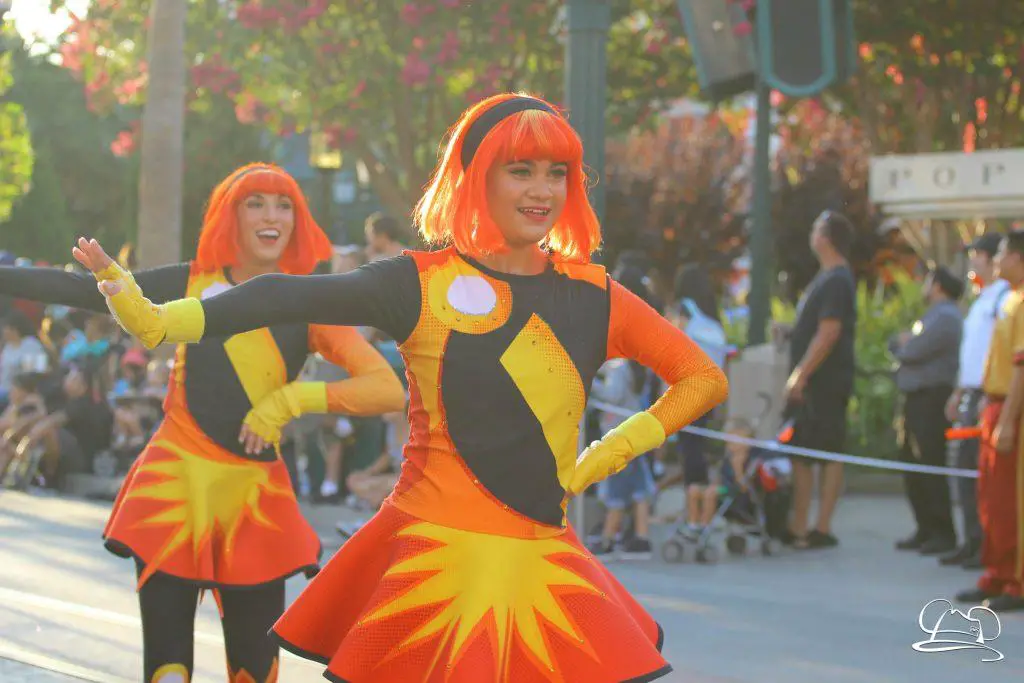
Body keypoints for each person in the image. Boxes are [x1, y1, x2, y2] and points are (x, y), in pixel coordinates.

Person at [78, 93, 729, 683]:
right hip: (430, 565)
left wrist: (609, 453)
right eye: (520, 170)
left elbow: (703, 378)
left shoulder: (596, 295)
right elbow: (280, 293)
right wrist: (159, 321)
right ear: (478, 177)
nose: (542, 190)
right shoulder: (418, 282)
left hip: (542, 569)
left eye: (557, 172)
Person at [0, 163, 406, 683]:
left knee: (255, 672)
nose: (271, 216)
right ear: (229, 216)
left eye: (283, 205)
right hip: (176, 486)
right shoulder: (193, 280)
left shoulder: (308, 300)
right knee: (167, 668)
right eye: (255, 203)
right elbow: (84, 291)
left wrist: (288, 402)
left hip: (256, 502)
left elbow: (385, 387)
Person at [780, 210, 857, 549]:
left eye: (815, 229)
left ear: (826, 237)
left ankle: (818, 527)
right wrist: (791, 332)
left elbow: (829, 332)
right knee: (802, 451)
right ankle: (800, 525)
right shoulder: (826, 277)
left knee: (825, 452)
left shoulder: (837, 279)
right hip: (817, 383)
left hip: (825, 384)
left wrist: (801, 374)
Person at [956, 230, 1024, 613]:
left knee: (1012, 500)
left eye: (1001, 254)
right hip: (995, 404)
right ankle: (997, 573)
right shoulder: (1009, 298)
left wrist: (1009, 420)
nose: (996, 260)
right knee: (992, 498)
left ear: (1017, 257)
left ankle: (1017, 581)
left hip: (1012, 409)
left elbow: (1022, 367)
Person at [940, 233, 1010, 568]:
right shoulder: (982, 298)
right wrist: (958, 390)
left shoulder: (1005, 297)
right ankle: (970, 541)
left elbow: (1000, 353)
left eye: (977, 254)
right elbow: (972, 352)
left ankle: (986, 546)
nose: (972, 261)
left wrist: (989, 393)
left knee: (983, 477)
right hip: (969, 394)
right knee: (963, 473)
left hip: (987, 396)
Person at [890, 266, 964, 556]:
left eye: (928, 281)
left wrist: (904, 344)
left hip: (932, 398)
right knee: (911, 462)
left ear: (938, 285)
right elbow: (904, 343)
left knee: (929, 461)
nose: (924, 285)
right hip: (914, 398)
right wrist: (902, 342)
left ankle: (942, 532)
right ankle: (924, 527)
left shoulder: (946, 317)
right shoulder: (932, 315)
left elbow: (912, 350)